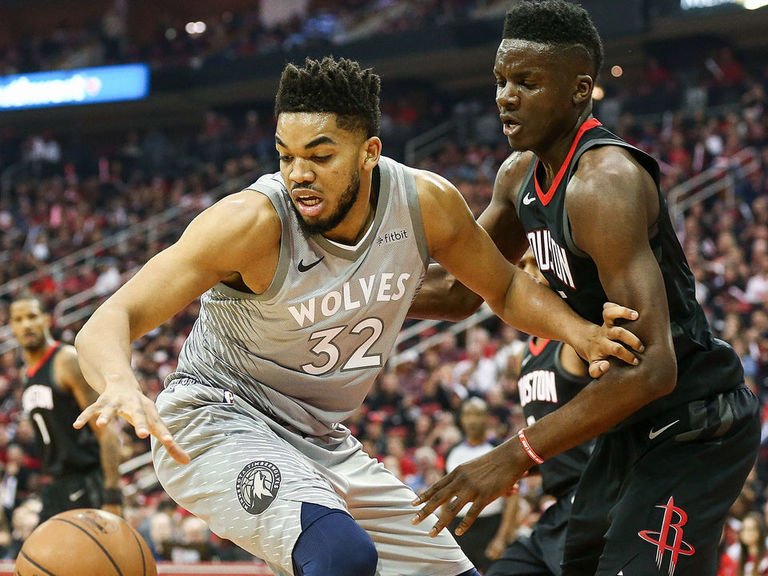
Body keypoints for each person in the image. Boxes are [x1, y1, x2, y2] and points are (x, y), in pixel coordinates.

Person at [72, 56, 641, 576]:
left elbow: (505, 288)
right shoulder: (250, 222)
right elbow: (111, 316)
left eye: (320, 156)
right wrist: (120, 382)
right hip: (217, 419)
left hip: (322, 437)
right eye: (286, 156)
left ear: (370, 152)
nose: (299, 174)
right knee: (342, 556)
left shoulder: (423, 203)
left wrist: (582, 334)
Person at [409, 2, 760, 575]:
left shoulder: (605, 184)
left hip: (696, 422)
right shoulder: (517, 175)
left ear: (579, 90)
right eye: (500, 81)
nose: (505, 97)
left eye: (526, 82)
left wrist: (513, 455)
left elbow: (652, 369)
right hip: (628, 428)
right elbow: (458, 289)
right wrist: (339, 288)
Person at [485, 249, 594, 576]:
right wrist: (521, 467)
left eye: (537, 262)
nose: (528, 272)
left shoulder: (578, 336)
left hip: (595, 498)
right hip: (560, 506)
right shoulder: (525, 355)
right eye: (522, 265)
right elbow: (554, 428)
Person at [8, 296, 122, 522]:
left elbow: (106, 428)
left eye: (32, 316)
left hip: (86, 481)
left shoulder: (65, 360)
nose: (26, 325)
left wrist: (112, 494)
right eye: (19, 320)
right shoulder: (26, 373)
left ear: (46, 320)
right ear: (12, 326)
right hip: (55, 485)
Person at [444, 397, 508, 573]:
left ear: (488, 418)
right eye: (468, 415)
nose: (473, 420)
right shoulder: (452, 452)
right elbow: (445, 497)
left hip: (491, 526)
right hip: (458, 525)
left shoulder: (500, 449)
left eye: (478, 415)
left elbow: (513, 498)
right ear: (462, 419)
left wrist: (502, 537)